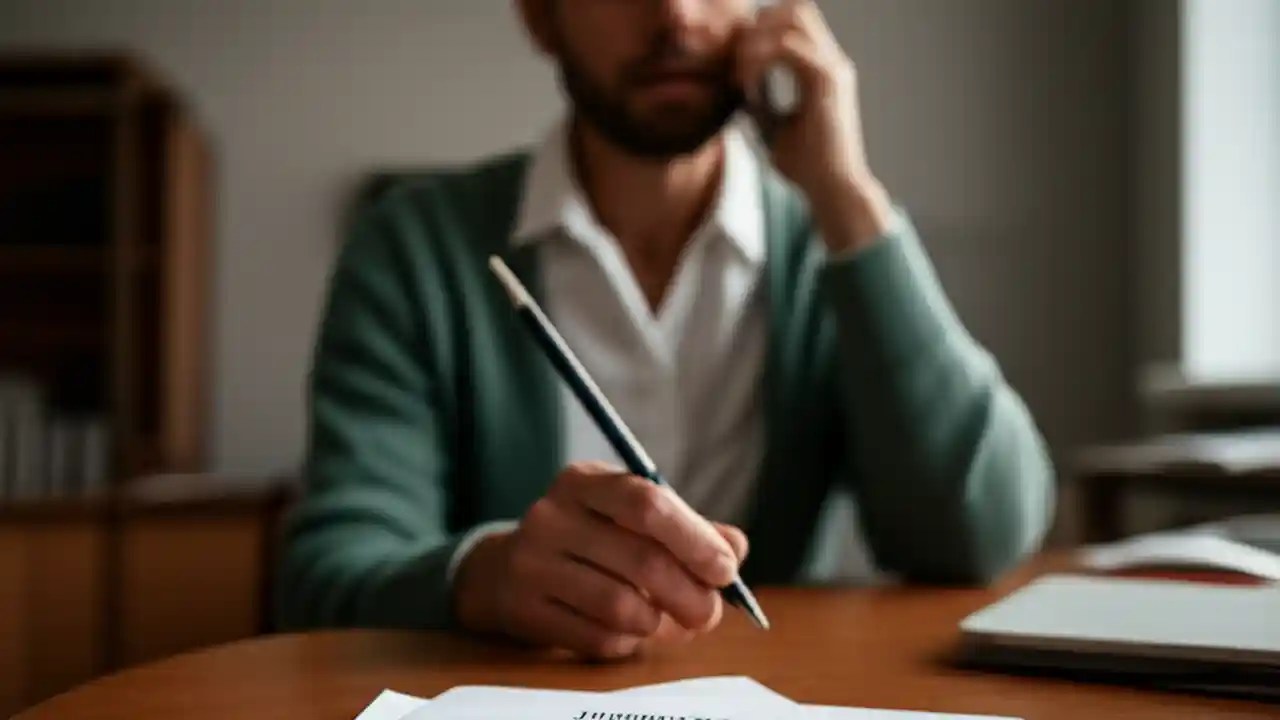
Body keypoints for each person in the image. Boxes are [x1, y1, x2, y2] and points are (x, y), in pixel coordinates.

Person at [276, 0, 1055, 659]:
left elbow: (981, 534)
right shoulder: (414, 248)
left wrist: (846, 194)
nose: (675, 15)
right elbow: (324, 579)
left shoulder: (835, 250)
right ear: (540, 17)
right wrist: (489, 577)